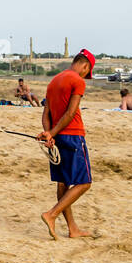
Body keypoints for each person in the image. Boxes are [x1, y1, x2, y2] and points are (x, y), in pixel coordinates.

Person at [37, 50, 96, 240]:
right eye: (87, 72)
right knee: (84, 182)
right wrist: (51, 133)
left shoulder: (54, 81)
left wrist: (49, 134)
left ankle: (73, 228)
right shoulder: (78, 81)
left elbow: (46, 114)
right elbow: (71, 113)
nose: (86, 75)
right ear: (85, 66)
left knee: (63, 183)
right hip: (73, 136)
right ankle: (51, 214)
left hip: (57, 138)